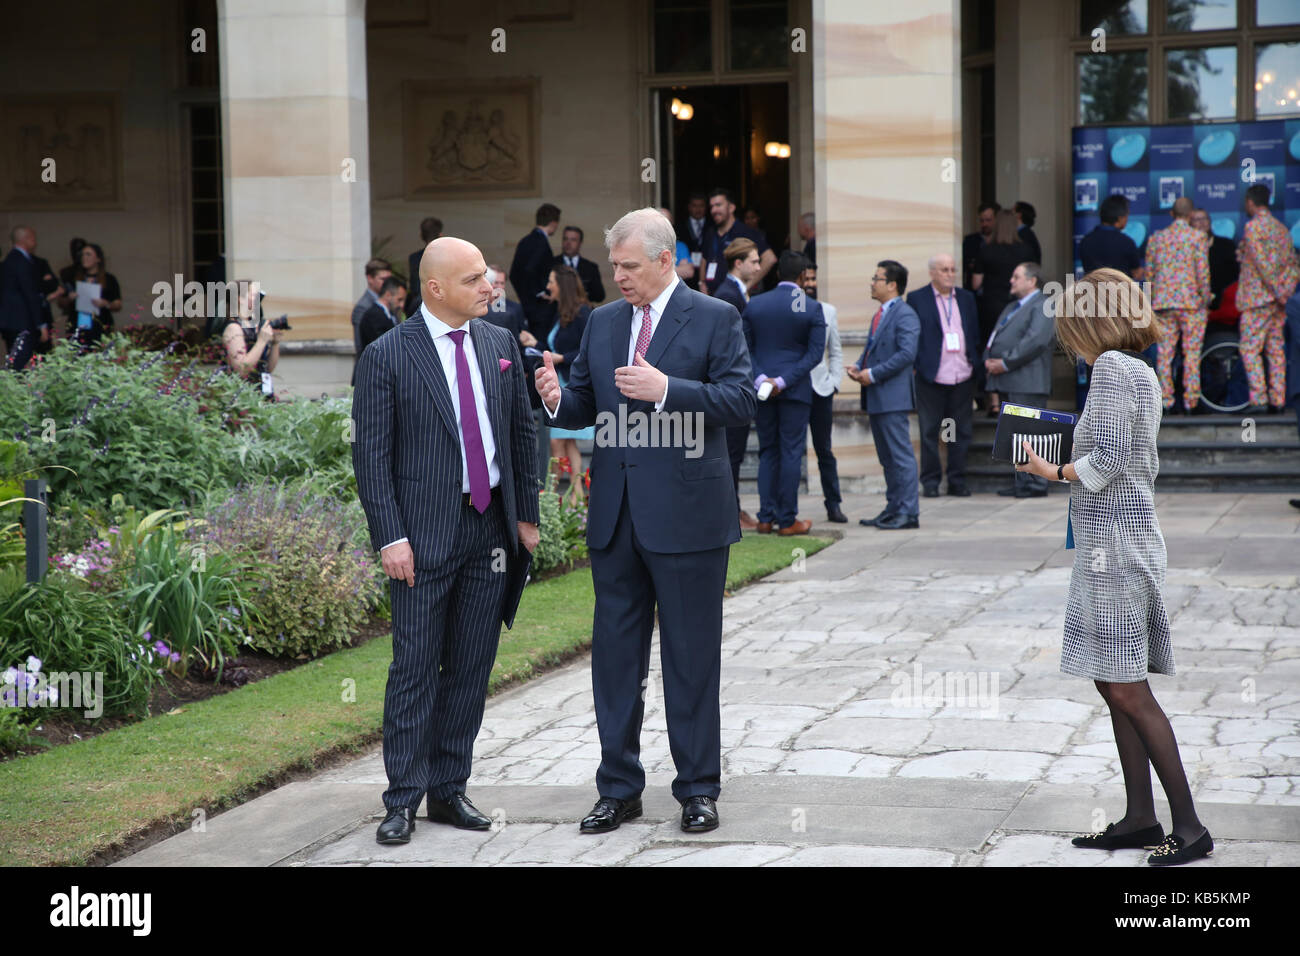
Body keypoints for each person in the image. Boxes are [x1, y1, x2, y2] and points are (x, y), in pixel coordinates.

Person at [533, 207, 754, 835]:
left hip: (689, 518)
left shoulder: (716, 317)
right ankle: (619, 787)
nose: (619, 276)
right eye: (614, 266)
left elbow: (739, 401)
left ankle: (697, 790)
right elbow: (584, 402)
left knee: (690, 658)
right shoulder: (603, 323)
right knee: (615, 661)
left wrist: (667, 389)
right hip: (616, 519)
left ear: (665, 259)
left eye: (629, 266)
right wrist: (555, 396)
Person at [1017, 267, 1212, 867]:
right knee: (1113, 680)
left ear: (1089, 321)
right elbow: (1113, 446)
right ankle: (1138, 817)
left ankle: (1189, 827)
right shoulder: (1140, 369)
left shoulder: (1110, 368)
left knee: (1126, 686)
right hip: (1120, 539)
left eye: (1069, 327)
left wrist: (1054, 472)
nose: (1067, 341)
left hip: (1117, 545)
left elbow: (1107, 457)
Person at [353, 236, 540, 846]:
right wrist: (391, 538)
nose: (490, 287)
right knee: (413, 667)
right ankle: (402, 798)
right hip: (421, 537)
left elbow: (520, 433)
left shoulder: (498, 341)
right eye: (475, 279)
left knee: (470, 665)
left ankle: (449, 789)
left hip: (488, 529)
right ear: (435, 289)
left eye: (488, 276)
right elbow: (372, 460)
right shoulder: (388, 355)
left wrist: (526, 517)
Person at [744, 250, 825, 535]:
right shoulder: (812, 307)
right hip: (794, 390)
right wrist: (784, 380)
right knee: (791, 452)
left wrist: (762, 378)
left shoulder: (755, 304)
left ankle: (765, 518)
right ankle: (788, 521)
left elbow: (745, 349)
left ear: (778, 274)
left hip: (763, 391)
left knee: (768, 452)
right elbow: (815, 354)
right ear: (803, 276)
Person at [848, 260, 921, 530]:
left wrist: (873, 374)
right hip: (878, 397)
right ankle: (893, 508)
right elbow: (872, 348)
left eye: (876, 278)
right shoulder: (881, 313)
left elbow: (906, 354)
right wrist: (859, 366)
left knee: (900, 457)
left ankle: (908, 512)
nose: (871, 282)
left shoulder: (905, 314)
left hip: (892, 397)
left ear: (892, 285)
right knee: (887, 458)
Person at [907, 253, 978, 497]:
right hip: (931, 376)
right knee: (929, 431)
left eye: (952, 269)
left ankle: (957, 481)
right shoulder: (917, 298)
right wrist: (917, 364)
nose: (950, 274)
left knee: (959, 431)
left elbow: (974, 332)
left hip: (962, 375)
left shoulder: (966, 298)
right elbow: (912, 335)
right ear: (932, 273)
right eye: (944, 270)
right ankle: (930, 482)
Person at [985, 262, 1056, 497]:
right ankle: (1022, 482)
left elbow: (1035, 341)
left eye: (1016, 277)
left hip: (1028, 381)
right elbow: (996, 335)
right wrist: (989, 357)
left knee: (1032, 435)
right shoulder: (1012, 307)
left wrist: (1004, 362)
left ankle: (1036, 484)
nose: (1011, 281)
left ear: (1031, 281)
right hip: (1010, 380)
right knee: (1017, 436)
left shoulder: (1044, 304)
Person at [1236, 183, 1299, 414]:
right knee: (1275, 349)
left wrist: (1277, 292)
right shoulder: (1282, 229)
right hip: (1278, 301)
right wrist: (1285, 292)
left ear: (1251, 203)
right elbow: (1293, 265)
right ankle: (1278, 400)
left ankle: (1259, 399)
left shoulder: (1253, 227)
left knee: (1250, 348)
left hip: (1258, 299)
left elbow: (1263, 265)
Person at [1145, 197, 1210, 413]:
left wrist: (1154, 298)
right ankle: (1191, 401)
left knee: (1165, 353)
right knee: (1191, 352)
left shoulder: (1157, 238)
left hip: (1164, 303)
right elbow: (1202, 272)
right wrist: (1206, 296)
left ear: (1172, 214)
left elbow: (1149, 275)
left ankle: (1166, 402)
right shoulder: (1198, 237)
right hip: (1191, 303)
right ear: (1191, 215)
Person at [715, 237, 763, 530]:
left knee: (735, 453)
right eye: (754, 261)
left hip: (738, 384)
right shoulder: (727, 295)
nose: (759, 266)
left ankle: (735, 507)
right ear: (739, 263)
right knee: (731, 454)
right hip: (731, 385)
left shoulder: (740, 293)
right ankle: (730, 511)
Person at [484, 265, 547, 486]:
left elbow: (515, 349)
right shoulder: (476, 313)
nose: (497, 288)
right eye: (495, 283)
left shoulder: (510, 312)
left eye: (501, 283)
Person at [542, 264, 594, 504]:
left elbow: (588, 350)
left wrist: (561, 358)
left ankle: (551, 496)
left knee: (556, 441)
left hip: (571, 383)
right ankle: (578, 494)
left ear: (562, 285)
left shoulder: (583, 313)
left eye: (551, 281)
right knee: (568, 441)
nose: (548, 286)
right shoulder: (558, 312)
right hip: (560, 379)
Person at [972, 209, 1033, 414]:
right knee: (1013, 346)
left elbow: (975, 282)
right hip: (1016, 306)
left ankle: (995, 401)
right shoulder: (1024, 249)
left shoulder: (986, 250)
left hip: (990, 305)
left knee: (992, 348)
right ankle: (1010, 397)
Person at [801, 263, 846, 521]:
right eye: (806, 278)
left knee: (824, 450)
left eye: (814, 278)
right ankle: (786, 511)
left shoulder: (828, 311)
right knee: (791, 450)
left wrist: (835, 381)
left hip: (821, 389)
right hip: (793, 389)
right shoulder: (788, 310)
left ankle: (834, 503)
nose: (810, 283)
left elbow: (836, 350)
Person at [700, 187, 773, 294]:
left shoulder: (746, 232)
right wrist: (702, 283)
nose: (713, 210)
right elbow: (704, 259)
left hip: (734, 299)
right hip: (711, 298)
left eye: (718, 205)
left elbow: (770, 258)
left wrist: (746, 286)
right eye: (711, 207)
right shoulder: (710, 233)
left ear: (731, 208)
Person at [221, 281, 283, 395]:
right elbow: (241, 370)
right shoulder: (233, 328)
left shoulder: (255, 325)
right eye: (254, 295)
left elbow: (267, 368)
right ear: (240, 299)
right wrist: (262, 341)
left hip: (262, 391)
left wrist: (275, 343)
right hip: (243, 396)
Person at [510, 202, 561, 339]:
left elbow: (514, 275)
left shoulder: (524, 241)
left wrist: (525, 296)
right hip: (541, 309)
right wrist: (540, 292)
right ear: (554, 222)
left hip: (527, 306)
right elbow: (529, 269)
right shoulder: (541, 242)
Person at [1, 226, 48, 370]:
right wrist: (41, 324)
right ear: (26, 239)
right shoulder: (21, 261)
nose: (35, 243)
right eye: (33, 239)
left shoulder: (9, 260)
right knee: (21, 365)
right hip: (21, 321)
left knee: (16, 360)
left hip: (10, 321)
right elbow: (30, 293)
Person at [68, 243, 121, 351]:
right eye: (82, 255)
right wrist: (70, 297)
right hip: (77, 325)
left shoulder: (109, 279)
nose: (84, 258)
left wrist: (105, 304)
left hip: (100, 325)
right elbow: (62, 302)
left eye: (88, 255)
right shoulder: (74, 279)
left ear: (98, 259)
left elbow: (118, 304)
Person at [1079, 194, 1143, 279]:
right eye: (1127, 215)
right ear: (1120, 218)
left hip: (1092, 290)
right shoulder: (1127, 242)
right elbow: (1136, 273)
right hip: (1121, 291)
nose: (1127, 219)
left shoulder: (1085, 241)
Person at [1190, 207, 1238, 313]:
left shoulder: (1226, 245)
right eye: (1197, 220)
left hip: (1223, 306)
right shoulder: (1186, 249)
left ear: (1210, 221)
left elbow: (1236, 275)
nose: (1202, 222)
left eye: (1205, 218)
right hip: (1194, 308)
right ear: (1190, 224)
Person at [352, 258, 392, 369]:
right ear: (370, 278)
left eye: (389, 279)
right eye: (383, 279)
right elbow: (361, 345)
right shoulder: (363, 307)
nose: (387, 283)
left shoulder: (390, 301)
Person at [553, 225, 606, 304]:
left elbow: (599, 296)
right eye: (565, 239)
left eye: (573, 240)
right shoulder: (551, 264)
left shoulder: (591, 268)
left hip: (581, 312)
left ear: (580, 243)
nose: (568, 243)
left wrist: (581, 295)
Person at [356, 275, 404, 355]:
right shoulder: (373, 316)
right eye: (399, 300)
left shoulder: (391, 315)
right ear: (388, 295)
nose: (401, 305)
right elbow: (384, 347)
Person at [405, 217, 442, 317]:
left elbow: (414, 285)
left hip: (416, 306)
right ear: (440, 235)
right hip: (439, 304)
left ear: (421, 235)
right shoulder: (446, 257)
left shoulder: (414, 258)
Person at [962, 201, 998, 291]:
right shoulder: (970, 240)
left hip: (995, 293)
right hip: (974, 294)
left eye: (988, 220)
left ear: (997, 220)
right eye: (982, 220)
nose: (984, 224)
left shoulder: (1002, 243)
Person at [658, 208, 696, 283]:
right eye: (661, 223)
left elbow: (689, 271)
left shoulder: (680, 246)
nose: (665, 227)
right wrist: (677, 268)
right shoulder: (646, 246)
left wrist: (658, 270)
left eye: (668, 223)